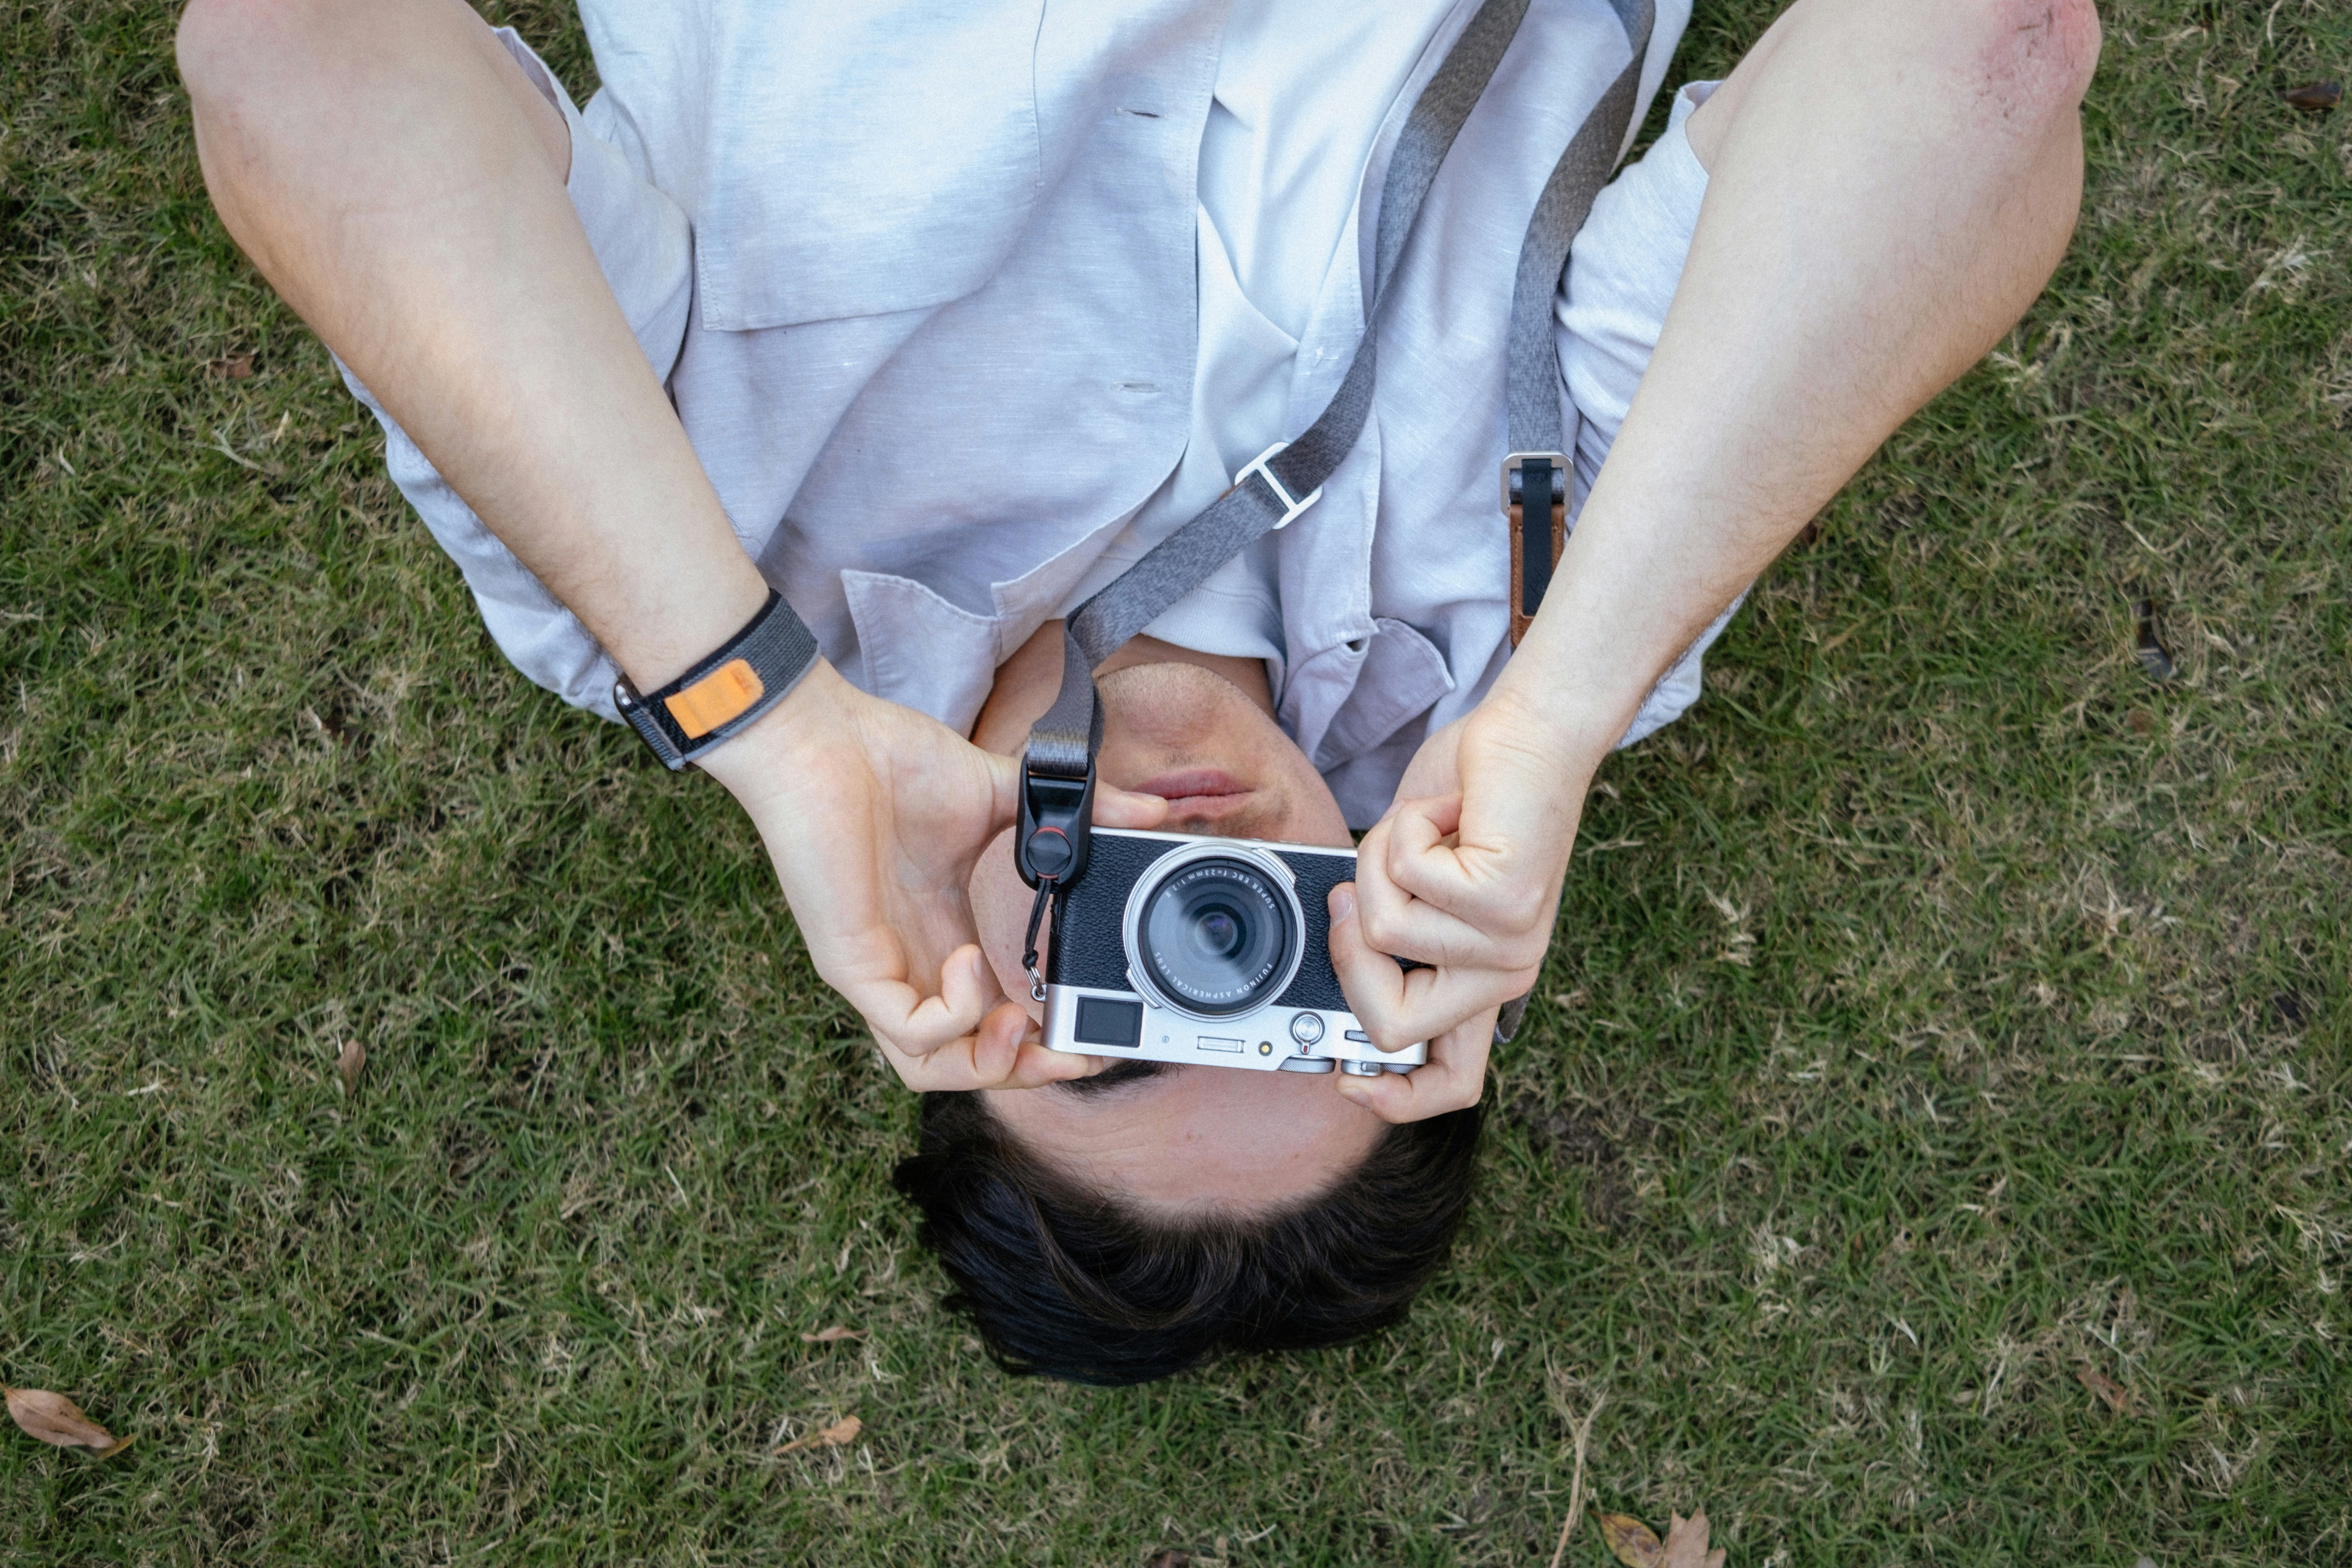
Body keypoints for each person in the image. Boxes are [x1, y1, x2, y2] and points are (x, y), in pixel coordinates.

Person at [176, 0, 2100, 1380]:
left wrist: (760, 717)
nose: (1195, 929)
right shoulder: (1534, 644)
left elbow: (291, 51)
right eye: (1292, 1011)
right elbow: (1982, 55)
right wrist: (1572, 697)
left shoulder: (679, 614)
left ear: (940, 1007)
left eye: (1108, 1029)